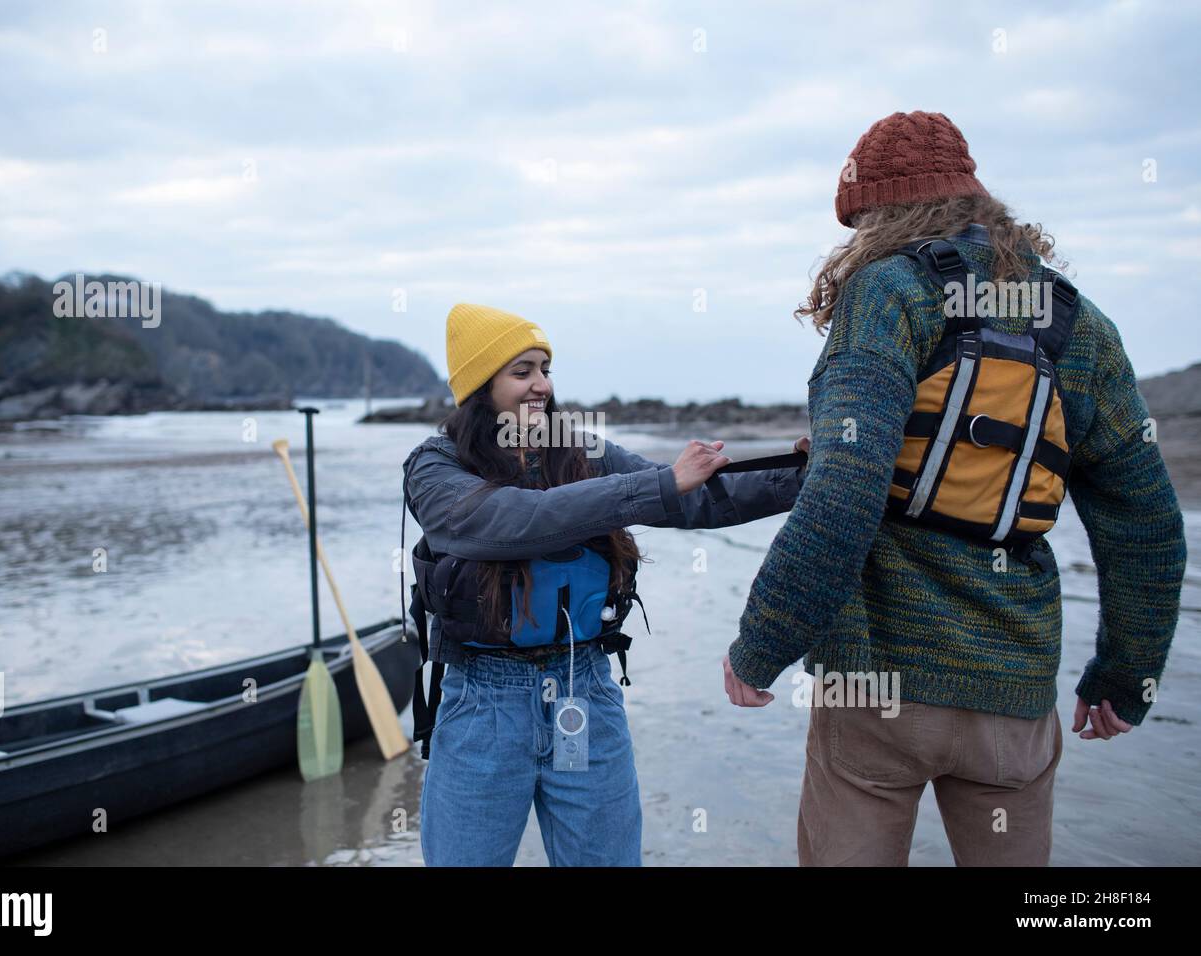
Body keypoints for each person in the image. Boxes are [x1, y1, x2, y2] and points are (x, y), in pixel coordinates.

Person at [723, 111, 1186, 866]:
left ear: (882, 215)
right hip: (1014, 695)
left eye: (861, 218)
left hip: (875, 695)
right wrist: (1126, 674)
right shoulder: (1079, 325)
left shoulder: (889, 293)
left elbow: (844, 487)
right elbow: (1148, 523)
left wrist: (761, 644)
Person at [403, 302, 809, 866]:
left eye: (544, 369)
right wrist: (660, 482)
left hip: (584, 690)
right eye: (522, 372)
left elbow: (692, 500)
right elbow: (509, 520)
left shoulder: (583, 452)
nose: (541, 385)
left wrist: (804, 476)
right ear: (479, 387)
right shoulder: (434, 466)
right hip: (482, 704)